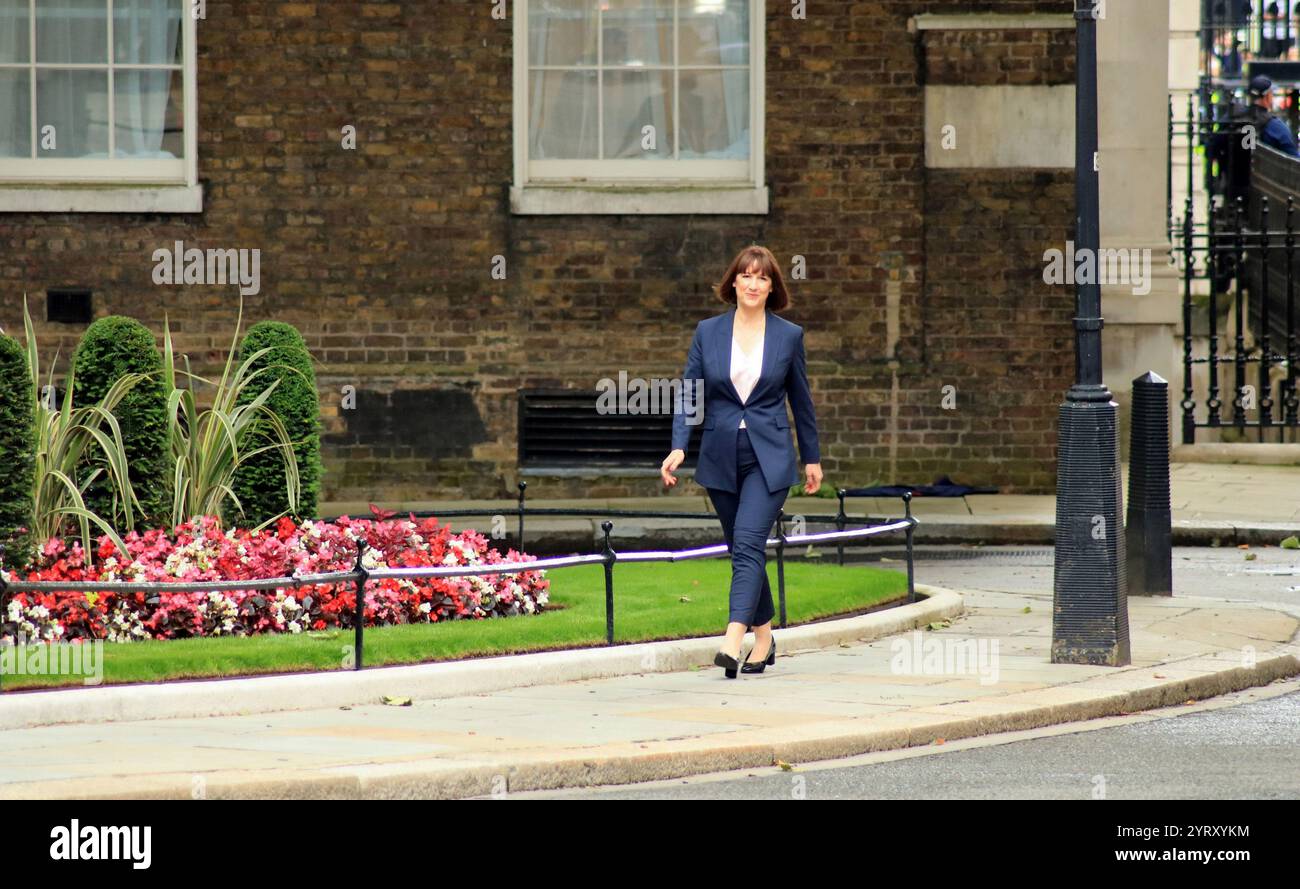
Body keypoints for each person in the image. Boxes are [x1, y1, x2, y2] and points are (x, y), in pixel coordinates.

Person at [660, 245, 823, 679]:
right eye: (746, 276)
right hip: (720, 457)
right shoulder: (707, 332)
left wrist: (812, 457)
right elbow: (690, 393)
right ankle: (765, 637)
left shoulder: (788, 335)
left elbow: (801, 401)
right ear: (733, 282)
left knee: (749, 543)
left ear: (773, 288)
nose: (753, 284)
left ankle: (733, 639)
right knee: (742, 547)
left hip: (769, 459)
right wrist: (679, 445)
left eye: (763, 278)